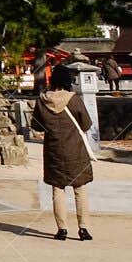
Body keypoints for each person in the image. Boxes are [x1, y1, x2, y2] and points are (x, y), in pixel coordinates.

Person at [32, 66, 94, 241]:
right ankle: (83, 229)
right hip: (75, 150)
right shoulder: (73, 100)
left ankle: (62, 229)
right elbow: (86, 124)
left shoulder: (42, 100)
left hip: (53, 150)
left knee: (57, 189)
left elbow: (36, 125)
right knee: (80, 189)